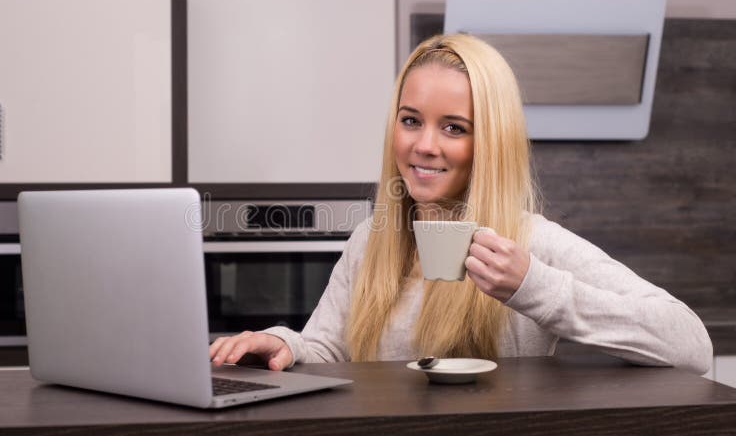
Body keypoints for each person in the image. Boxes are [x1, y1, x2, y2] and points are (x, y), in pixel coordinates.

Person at [209, 33, 713, 375]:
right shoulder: (372, 239)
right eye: (411, 120)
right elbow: (329, 349)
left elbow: (691, 345)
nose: (424, 145)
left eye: (454, 127)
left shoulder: (529, 242)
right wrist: (286, 345)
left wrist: (533, 287)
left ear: (489, 141)